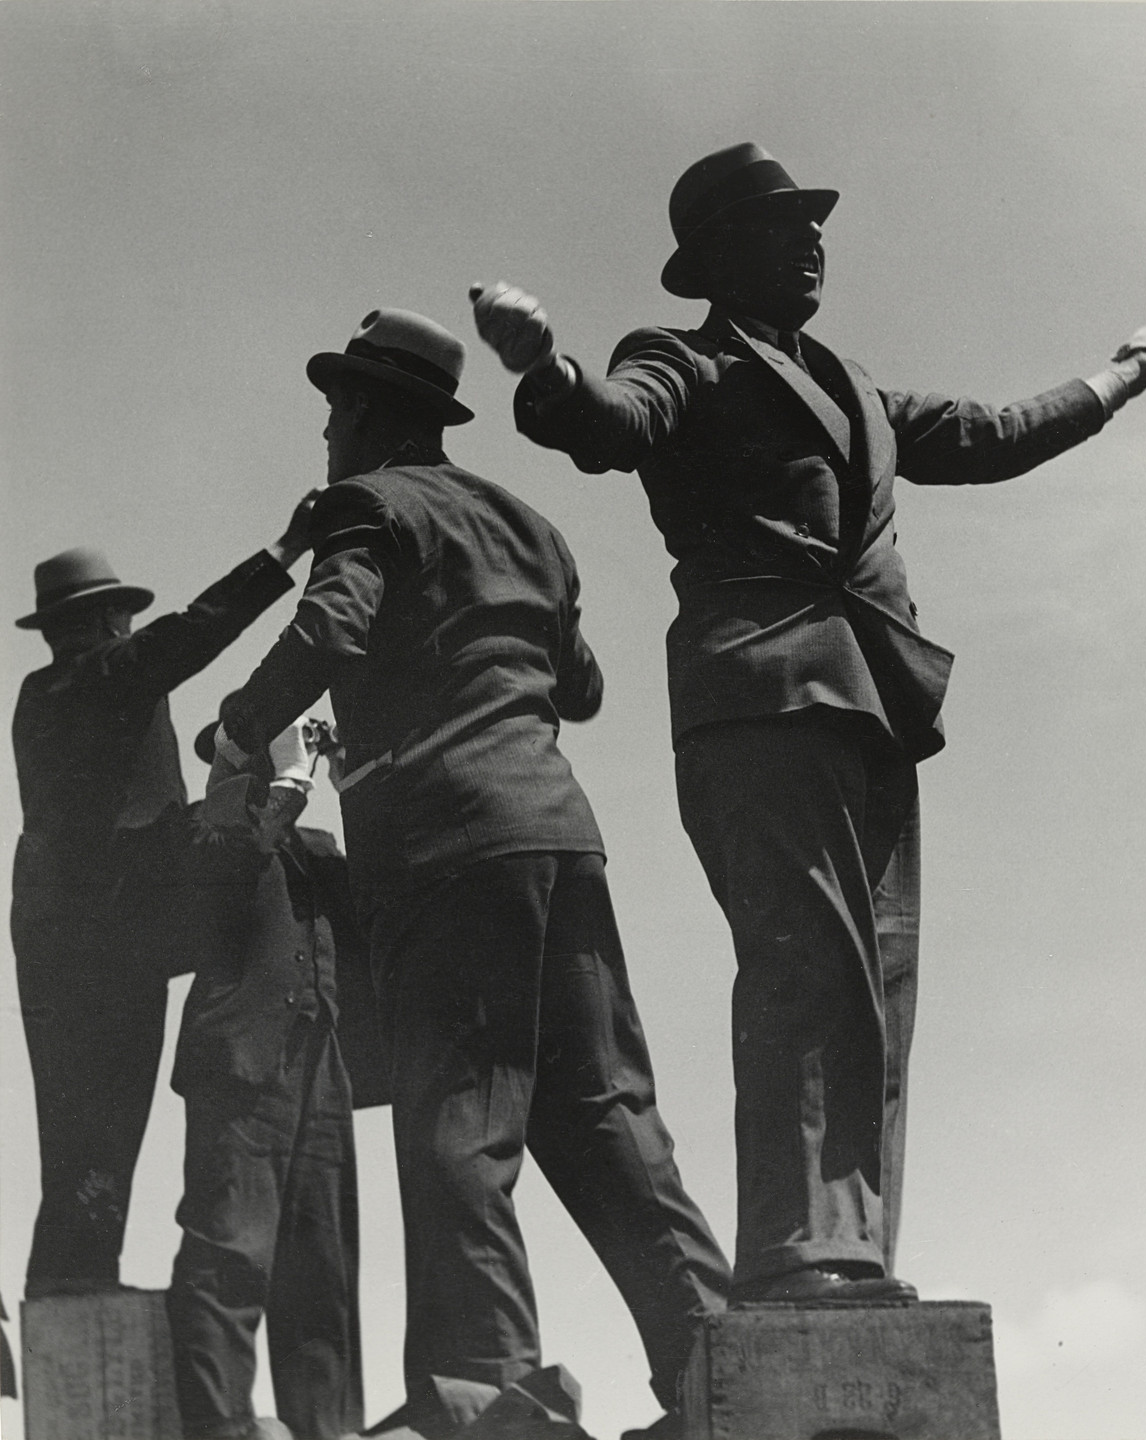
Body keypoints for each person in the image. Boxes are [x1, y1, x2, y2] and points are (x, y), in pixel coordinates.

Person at [469, 141, 1146, 1308]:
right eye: (781, 225)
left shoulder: (851, 382)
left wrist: (1124, 374)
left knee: (874, 986)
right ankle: (793, 1250)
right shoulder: (681, 359)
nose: (811, 240)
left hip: (871, 703)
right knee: (802, 970)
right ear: (715, 256)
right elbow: (612, 424)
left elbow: (986, 435)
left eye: (815, 223)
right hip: (758, 700)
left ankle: (848, 1247)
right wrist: (545, 375)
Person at [206, 309, 731, 1440]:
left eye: (339, 407)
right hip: (557, 837)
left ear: (374, 417)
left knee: (459, 1118)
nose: (330, 428)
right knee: (606, 1117)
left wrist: (242, 725)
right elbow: (579, 686)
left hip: (444, 847)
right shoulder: (531, 524)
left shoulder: (371, 505)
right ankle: (721, 1367)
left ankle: (480, 1392)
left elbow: (332, 631)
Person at [11, 498, 318, 1297]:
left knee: (87, 1131)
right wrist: (284, 550)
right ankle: (71, 1292)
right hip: (100, 929)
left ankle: (71, 1287)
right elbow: (191, 632)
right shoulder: (105, 676)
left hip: (71, 928)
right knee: (98, 1127)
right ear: (112, 618)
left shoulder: (45, 694)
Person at [166, 711, 364, 1440]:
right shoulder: (206, 826)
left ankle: (327, 1427)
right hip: (241, 1061)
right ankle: (217, 1427)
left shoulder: (313, 843)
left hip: (319, 1067)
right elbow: (239, 851)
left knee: (323, 1270)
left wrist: (351, 778)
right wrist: (290, 777)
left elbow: (380, 891)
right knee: (230, 1248)